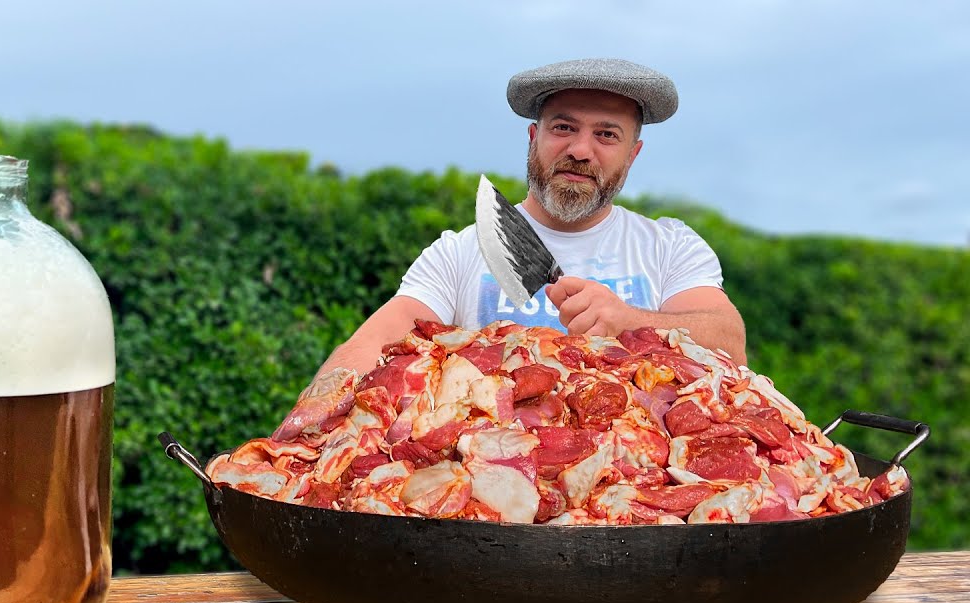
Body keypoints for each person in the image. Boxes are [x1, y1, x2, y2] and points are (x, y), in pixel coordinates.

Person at [312, 58, 747, 383]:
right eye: (563, 127)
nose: (580, 149)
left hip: (634, 481)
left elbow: (729, 344)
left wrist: (631, 321)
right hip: (481, 486)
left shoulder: (669, 247)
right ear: (534, 138)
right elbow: (369, 346)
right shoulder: (461, 252)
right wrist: (300, 435)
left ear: (633, 154)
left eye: (606, 134)